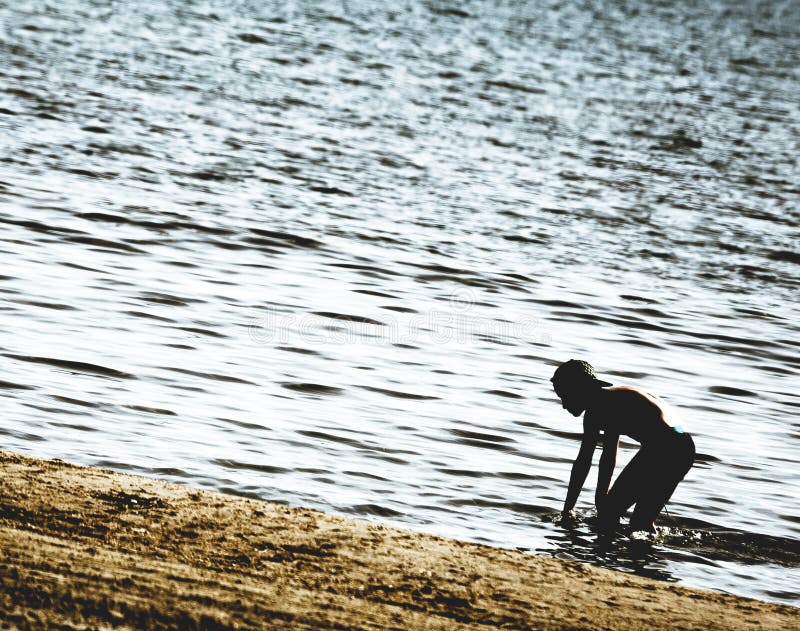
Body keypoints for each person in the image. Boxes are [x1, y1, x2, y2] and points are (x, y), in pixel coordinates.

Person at [551, 359, 695, 532]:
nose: (564, 405)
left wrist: (582, 505)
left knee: (610, 513)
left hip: (666, 447)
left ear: (581, 389)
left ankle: (606, 554)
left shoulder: (602, 407)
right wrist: (587, 502)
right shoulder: (608, 399)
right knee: (641, 521)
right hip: (685, 447)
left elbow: (595, 458)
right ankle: (641, 555)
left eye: (565, 396)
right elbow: (597, 457)